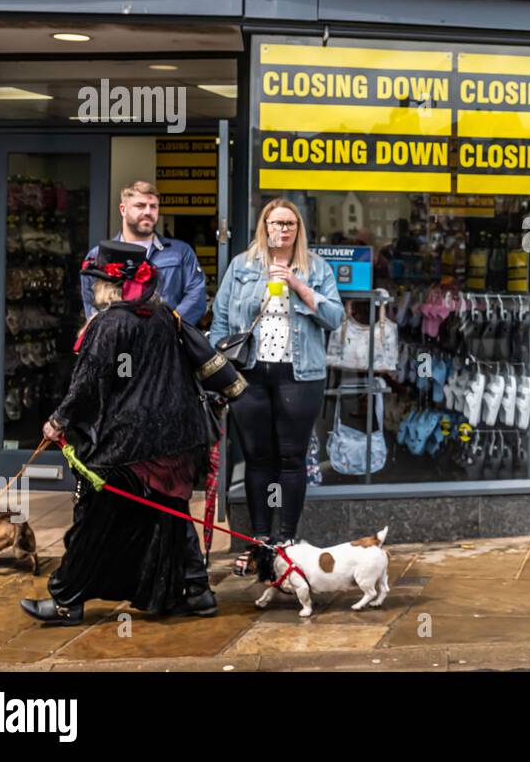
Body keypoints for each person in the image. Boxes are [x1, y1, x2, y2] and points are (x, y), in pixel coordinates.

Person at [20, 241, 217, 626]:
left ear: (107, 286)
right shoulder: (162, 316)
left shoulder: (110, 324)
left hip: (130, 443)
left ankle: (66, 601)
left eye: (95, 281)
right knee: (169, 515)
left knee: (96, 522)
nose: (92, 288)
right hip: (175, 439)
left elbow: (89, 382)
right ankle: (194, 591)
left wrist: (58, 420)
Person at [210, 198, 342, 579]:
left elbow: (335, 317)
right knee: (257, 458)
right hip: (251, 373)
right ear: (264, 227)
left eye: (290, 224)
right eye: (276, 223)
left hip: (300, 376)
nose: (282, 230)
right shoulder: (242, 266)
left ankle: (286, 542)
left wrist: (299, 285)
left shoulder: (316, 268)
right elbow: (220, 319)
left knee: (291, 458)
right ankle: (261, 541)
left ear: (298, 229)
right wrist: (222, 371)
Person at [81, 181, 208, 326]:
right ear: (123, 210)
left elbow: (196, 297)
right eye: (140, 206)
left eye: (153, 206)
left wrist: (169, 326)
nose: (148, 212)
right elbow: (91, 305)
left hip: (167, 343)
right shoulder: (99, 255)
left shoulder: (181, 252)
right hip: (118, 342)